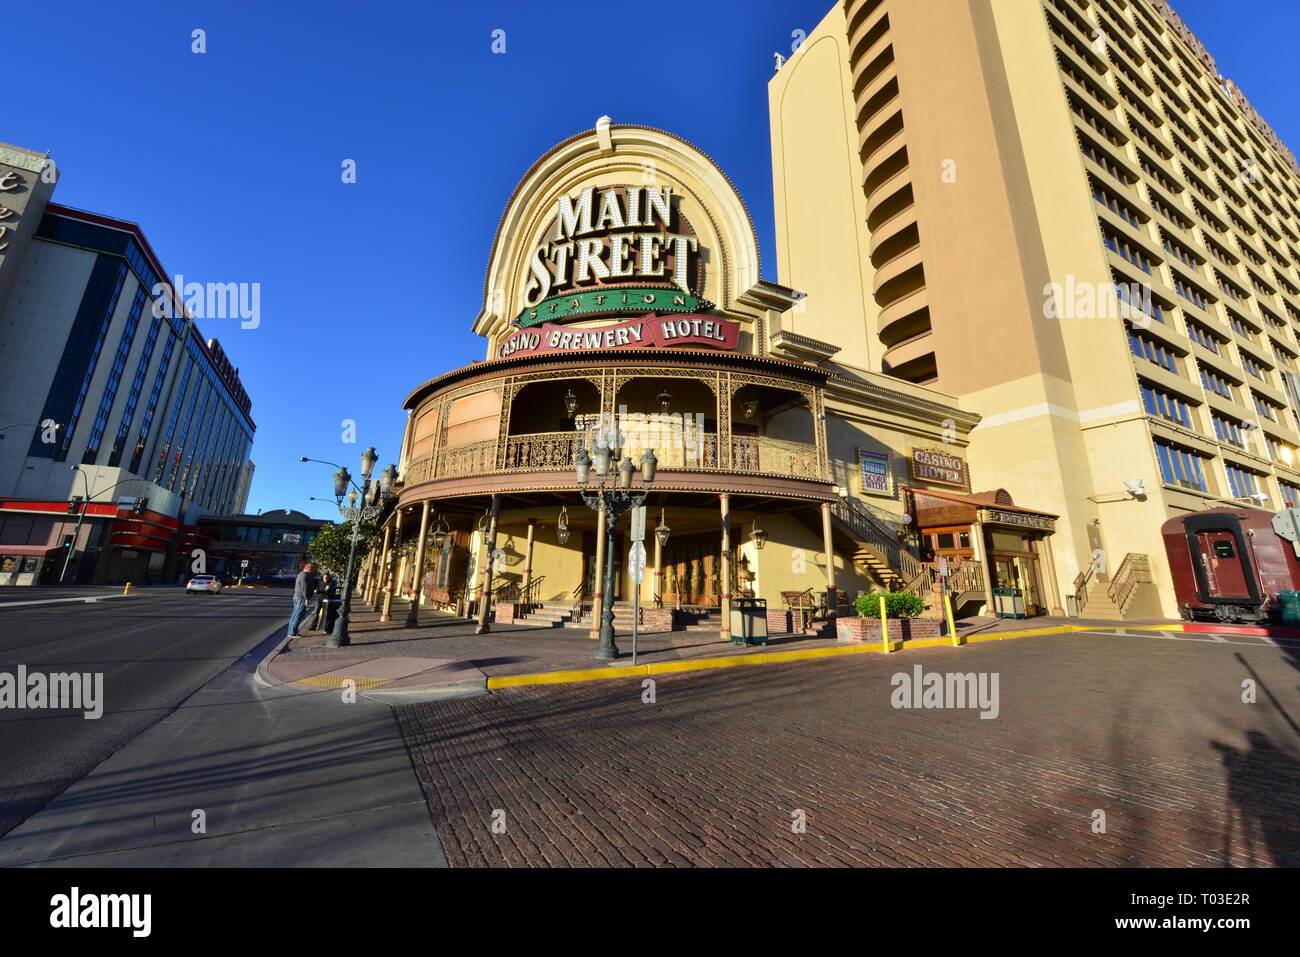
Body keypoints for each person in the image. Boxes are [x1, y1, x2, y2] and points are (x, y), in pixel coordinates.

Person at [288, 562, 319, 638]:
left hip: (297, 596)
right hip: (301, 598)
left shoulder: (300, 574)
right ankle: (292, 633)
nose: (313, 572)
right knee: (298, 615)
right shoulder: (304, 576)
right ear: (308, 568)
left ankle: (291, 632)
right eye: (312, 570)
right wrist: (306, 599)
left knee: (294, 615)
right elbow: (304, 588)